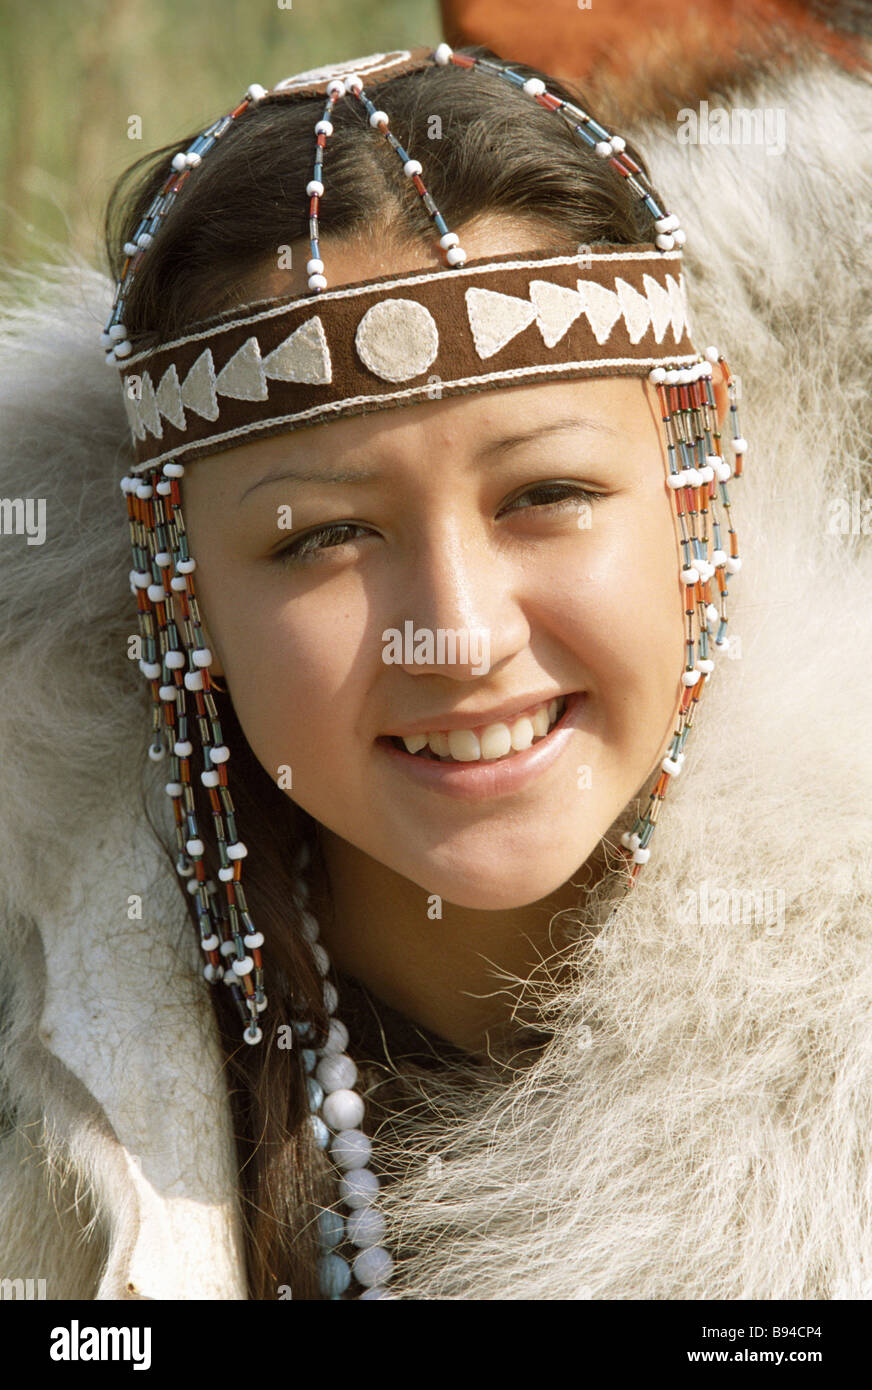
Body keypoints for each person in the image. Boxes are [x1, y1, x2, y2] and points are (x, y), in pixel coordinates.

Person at [0, 42, 868, 1303]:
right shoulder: (44, 1046)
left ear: (697, 490)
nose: (454, 637)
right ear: (177, 584)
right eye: (322, 536)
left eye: (547, 495)